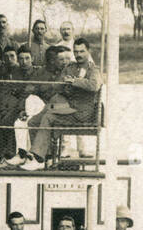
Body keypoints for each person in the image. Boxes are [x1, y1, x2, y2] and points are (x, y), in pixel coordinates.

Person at [22, 37, 101, 170]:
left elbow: (94, 85)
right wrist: (64, 84)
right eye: (76, 52)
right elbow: (58, 87)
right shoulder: (71, 67)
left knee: (49, 117)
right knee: (34, 121)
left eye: (82, 51)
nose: (79, 55)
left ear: (88, 51)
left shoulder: (93, 70)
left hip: (82, 112)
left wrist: (74, 82)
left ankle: (38, 158)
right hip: (68, 108)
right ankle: (43, 157)